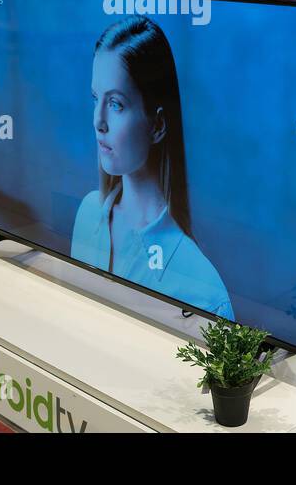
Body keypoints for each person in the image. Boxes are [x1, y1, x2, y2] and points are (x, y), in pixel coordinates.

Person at [72, 16, 233, 320]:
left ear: (158, 124)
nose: (98, 120)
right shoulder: (88, 213)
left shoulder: (205, 288)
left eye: (116, 104)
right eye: (96, 98)